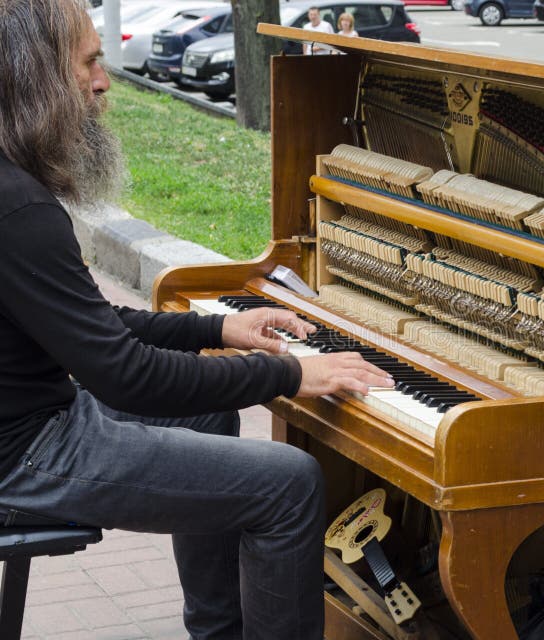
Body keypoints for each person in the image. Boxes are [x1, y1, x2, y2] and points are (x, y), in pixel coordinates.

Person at [0, 1, 394, 639]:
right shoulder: (19, 211)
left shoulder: (11, 189)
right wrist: (287, 374)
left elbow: (93, 323)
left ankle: (218, 631)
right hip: (24, 454)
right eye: (90, 62)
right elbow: (129, 379)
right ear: (36, 77)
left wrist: (216, 330)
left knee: (203, 413)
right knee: (289, 483)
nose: (104, 81)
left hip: (28, 420)